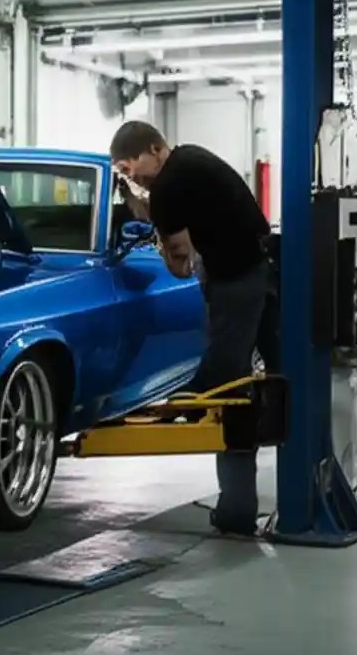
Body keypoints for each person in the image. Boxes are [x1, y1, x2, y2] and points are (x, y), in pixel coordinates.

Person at [109, 120, 280, 537]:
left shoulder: (168, 187)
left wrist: (143, 212)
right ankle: (288, 485)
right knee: (276, 379)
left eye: (131, 170)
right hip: (267, 269)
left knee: (227, 387)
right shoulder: (193, 159)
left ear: (153, 149)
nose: (133, 179)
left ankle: (237, 511)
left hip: (238, 281)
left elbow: (180, 266)